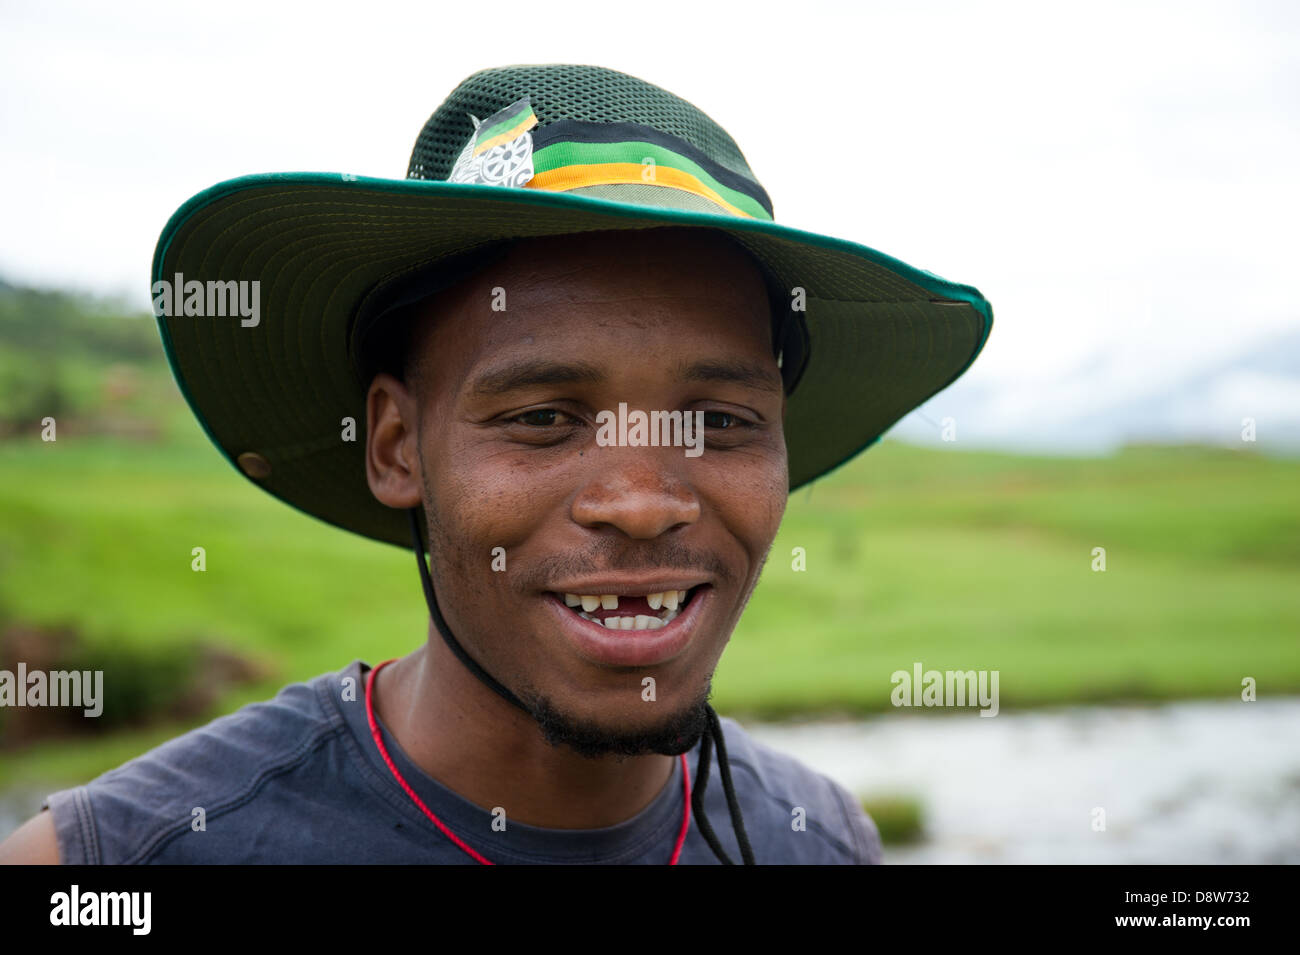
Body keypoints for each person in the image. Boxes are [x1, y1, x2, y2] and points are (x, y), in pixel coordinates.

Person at [0, 63, 991, 865]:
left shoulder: (815, 843)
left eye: (719, 420)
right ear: (396, 446)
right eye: (546, 416)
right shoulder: (124, 861)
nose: (641, 502)